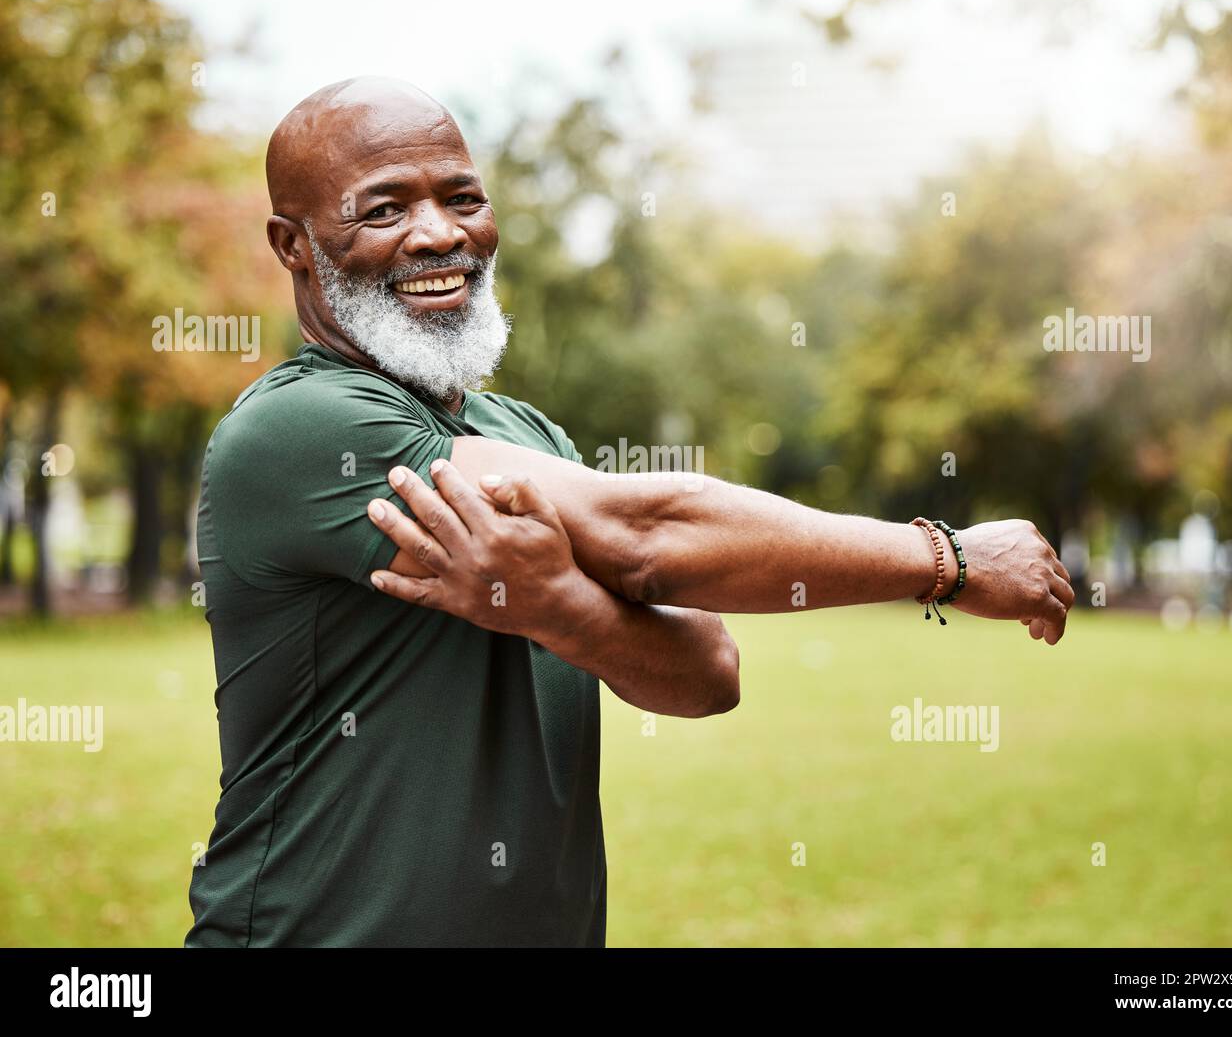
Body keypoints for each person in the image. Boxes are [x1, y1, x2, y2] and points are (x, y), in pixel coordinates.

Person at [186, 76, 1071, 948]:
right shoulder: (298, 427)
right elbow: (647, 533)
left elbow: (708, 671)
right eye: (383, 210)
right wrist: (946, 560)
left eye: (463, 197)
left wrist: (559, 608)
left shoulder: (522, 433)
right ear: (293, 243)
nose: (440, 233)